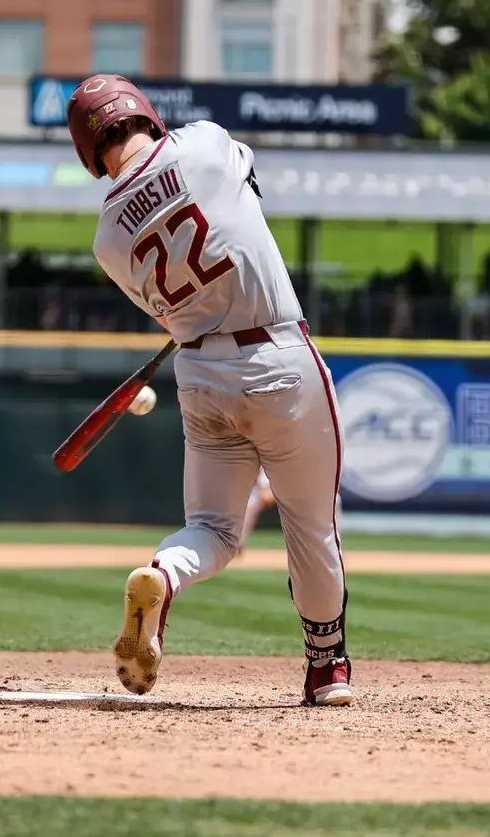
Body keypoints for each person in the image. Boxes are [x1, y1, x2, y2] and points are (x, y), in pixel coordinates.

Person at [68, 74, 351, 706]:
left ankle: (164, 575)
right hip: (277, 356)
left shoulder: (108, 240)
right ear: (144, 114)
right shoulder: (203, 143)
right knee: (311, 526)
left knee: (214, 529)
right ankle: (327, 666)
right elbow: (249, 194)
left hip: (200, 374)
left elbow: (169, 313)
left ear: (89, 151)